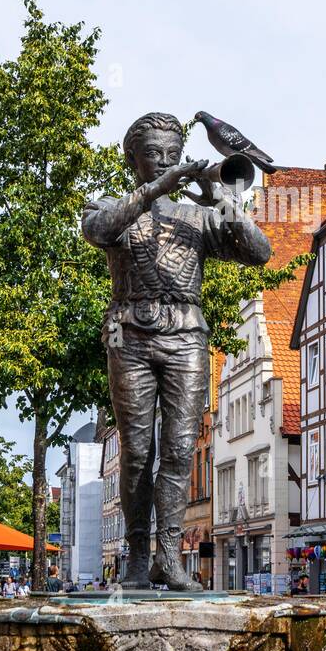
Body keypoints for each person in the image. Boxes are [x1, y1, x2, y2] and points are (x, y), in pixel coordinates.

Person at [81, 111, 271, 590]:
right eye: (154, 155)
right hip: (128, 333)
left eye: (173, 154)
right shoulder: (112, 204)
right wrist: (157, 188)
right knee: (137, 451)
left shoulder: (197, 215)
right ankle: (138, 557)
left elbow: (258, 252)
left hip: (188, 334)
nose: (166, 162)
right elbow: (98, 230)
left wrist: (222, 197)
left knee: (181, 448)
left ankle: (170, 555)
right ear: (134, 160)